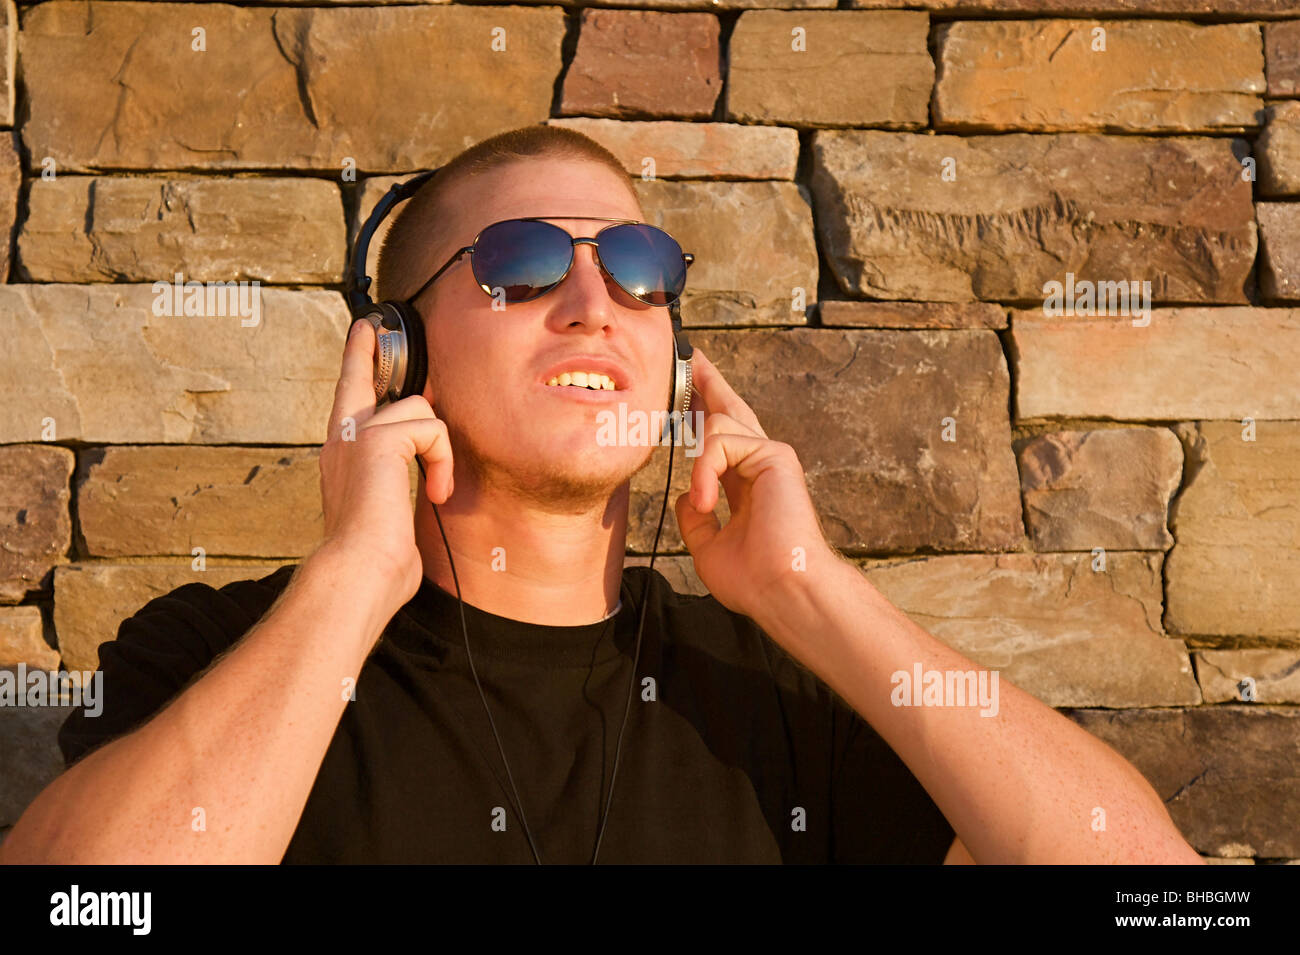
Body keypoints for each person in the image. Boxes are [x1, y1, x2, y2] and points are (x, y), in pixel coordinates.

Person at [1, 126, 1201, 864]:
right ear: (393, 353)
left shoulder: (782, 700)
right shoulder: (224, 655)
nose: (594, 305)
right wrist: (353, 577)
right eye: (522, 266)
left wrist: (810, 592)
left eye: (638, 272)